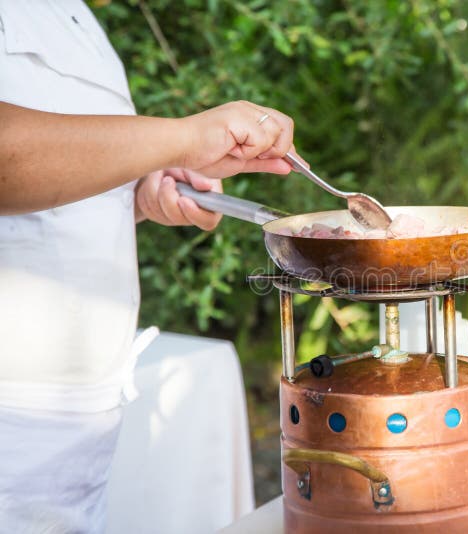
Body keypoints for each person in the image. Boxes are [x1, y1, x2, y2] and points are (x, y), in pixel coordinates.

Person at [0, 1, 301, 531]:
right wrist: (185, 136)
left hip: (80, 422)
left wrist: (142, 192)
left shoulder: (71, 13)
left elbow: (61, 175)